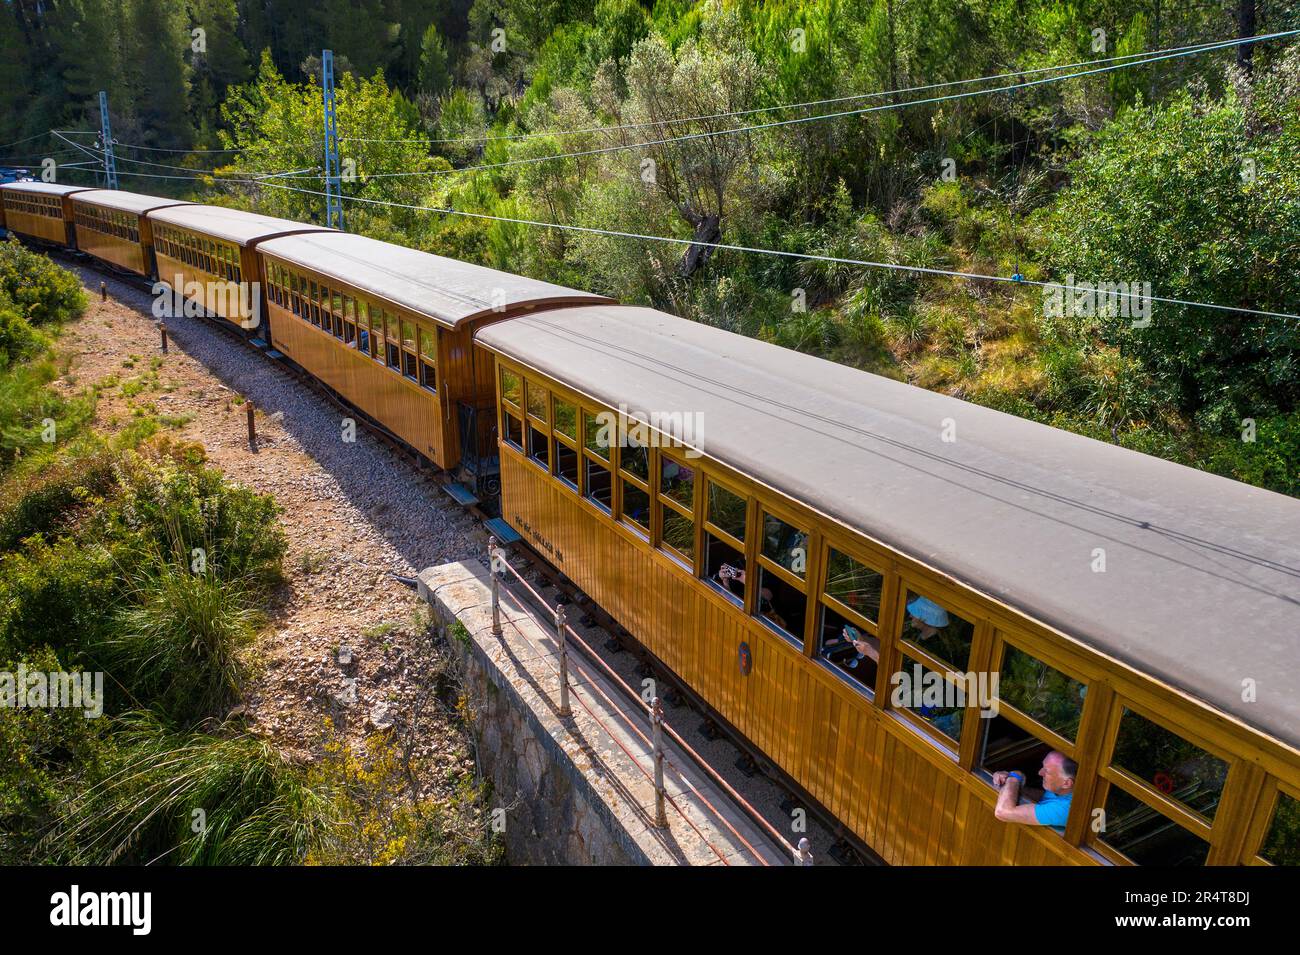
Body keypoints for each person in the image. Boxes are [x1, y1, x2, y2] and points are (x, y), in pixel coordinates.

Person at [992, 751, 1076, 834]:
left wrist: (1015, 776)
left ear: (1067, 783)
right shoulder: (1062, 788)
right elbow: (1044, 797)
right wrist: (1008, 785)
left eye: (1047, 771)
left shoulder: (1065, 809)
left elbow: (1002, 812)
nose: (1040, 772)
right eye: (1043, 766)